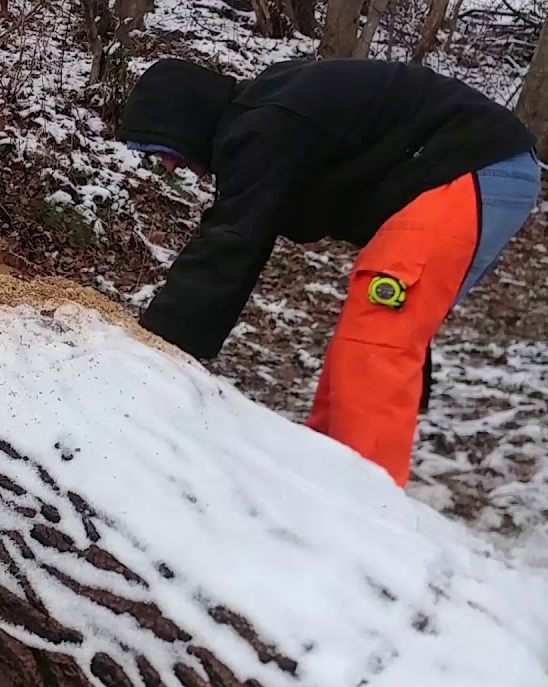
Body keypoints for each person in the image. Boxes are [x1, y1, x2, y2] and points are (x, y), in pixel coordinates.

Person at [117, 57, 541, 488]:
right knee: (372, 328)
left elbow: (231, 239)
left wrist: (155, 348)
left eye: (165, 150)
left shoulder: (264, 123)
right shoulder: (270, 110)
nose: (169, 166)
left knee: (378, 334)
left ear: (189, 117)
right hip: (478, 168)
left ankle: (365, 507)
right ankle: (324, 484)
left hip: (475, 164)